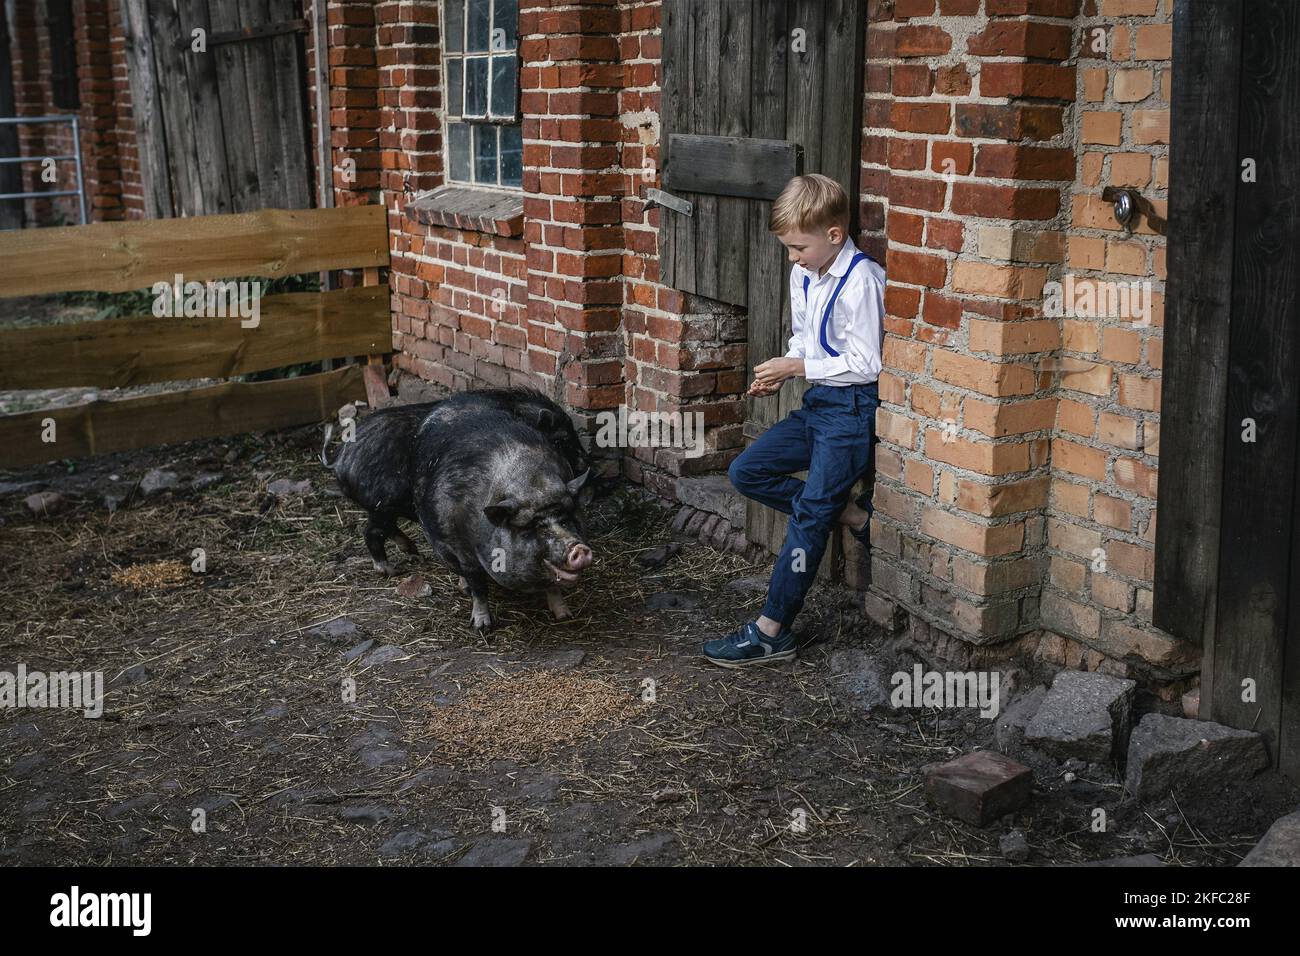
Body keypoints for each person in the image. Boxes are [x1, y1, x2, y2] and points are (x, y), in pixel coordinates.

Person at [703, 173, 885, 669]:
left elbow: (869, 364)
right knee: (747, 472)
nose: (791, 258)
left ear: (833, 234)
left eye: (797, 247)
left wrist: (797, 367)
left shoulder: (862, 280)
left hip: (852, 412)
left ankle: (770, 632)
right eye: (787, 248)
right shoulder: (805, 273)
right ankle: (849, 514)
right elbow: (806, 340)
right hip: (819, 403)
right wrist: (783, 371)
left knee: (807, 519)